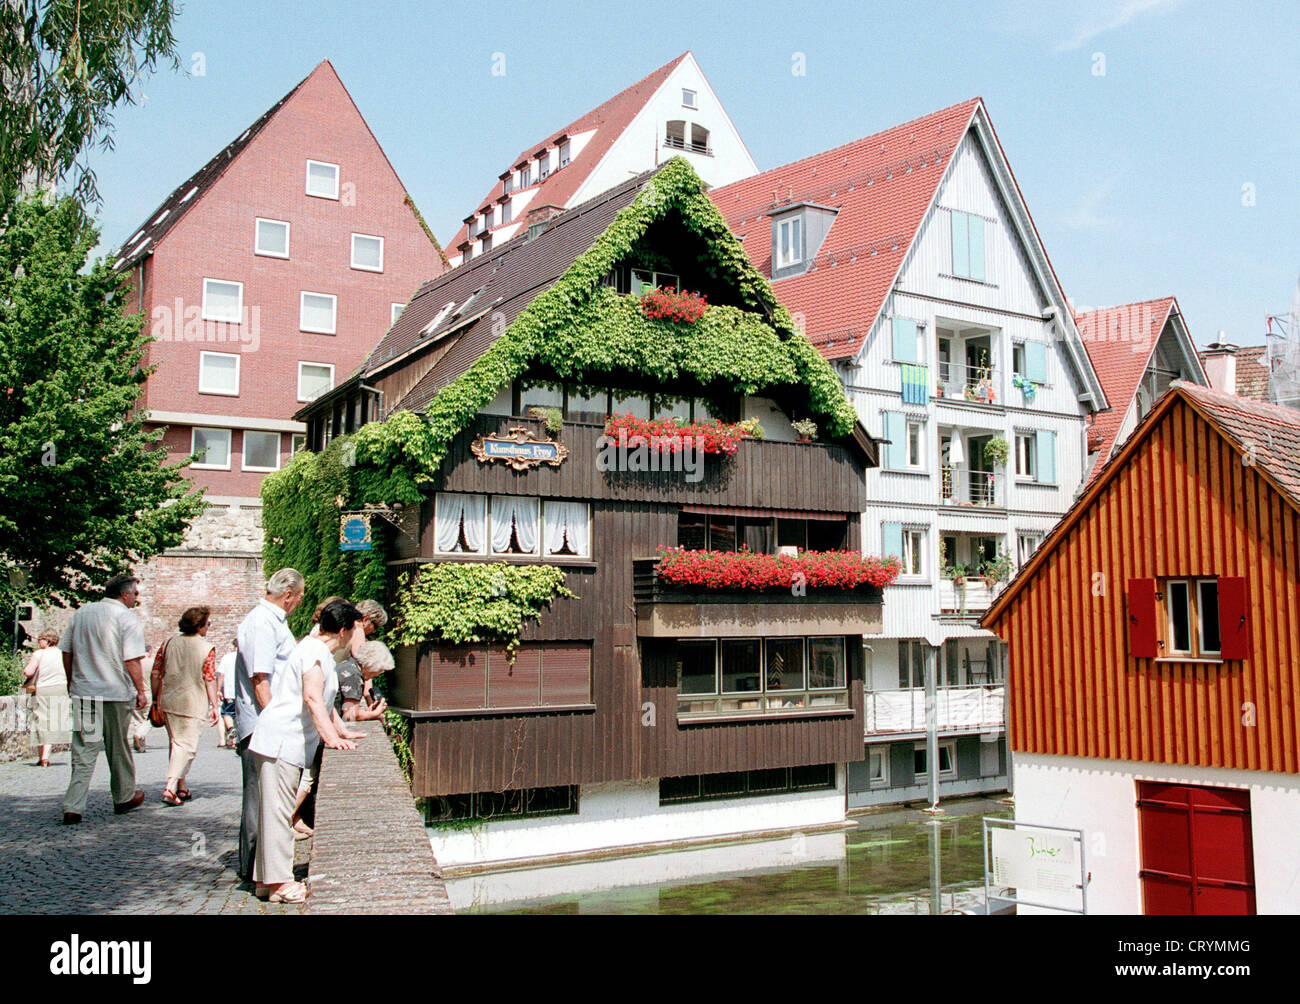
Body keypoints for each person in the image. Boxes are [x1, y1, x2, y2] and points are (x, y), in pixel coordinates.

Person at [249, 599, 363, 903]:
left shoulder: (314, 650)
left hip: (283, 742)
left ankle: (266, 882)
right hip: (281, 741)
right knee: (278, 814)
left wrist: (341, 731)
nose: (354, 638)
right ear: (342, 631)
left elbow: (324, 703)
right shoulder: (313, 654)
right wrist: (332, 739)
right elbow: (312, 699)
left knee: (277, 811)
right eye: (353, 631)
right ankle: (280, 885)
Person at [58, 573, 148, 824]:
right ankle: (123, 796)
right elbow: (132, 659)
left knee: (83, 750)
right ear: (125, 594)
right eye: (136, 594)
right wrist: (141, 691)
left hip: (85, 692)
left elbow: (66, 651)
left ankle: (73, 805)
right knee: (118, 747)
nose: (136, 599)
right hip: (115, 693)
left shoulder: (82, 613)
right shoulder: (126, 618)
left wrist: (71, 680)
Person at [234, 568, 304, 882]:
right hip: (261, 724)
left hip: (264, 722)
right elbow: (260, 678)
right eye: (300, 597)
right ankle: (253, 869)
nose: (300, 603)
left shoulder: (269, 621)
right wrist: (277, 720)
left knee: (262, 798)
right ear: (288, 595)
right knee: (258, 799)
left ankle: (257, 867)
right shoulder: (262, 623)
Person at [152, 606, 221, 806]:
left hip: (169, 700)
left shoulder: (167, 643)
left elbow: (156, 673)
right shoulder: (206, 647)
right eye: (207, 624)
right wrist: (215, 705)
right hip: (193, 701)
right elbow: (209, 678)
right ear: (199, 626)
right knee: (187, 746)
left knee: (177, 744)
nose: (208, 627)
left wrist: (156, 700)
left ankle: (181, 786)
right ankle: (170, 787)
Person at [23, 629, 69, 766]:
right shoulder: (63, 654)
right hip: (61, 689)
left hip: (43, 690)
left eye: (40, 639)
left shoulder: (39, 654)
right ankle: (45, 756)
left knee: (40, 721)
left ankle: (42, 757)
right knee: (53, 722)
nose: (39, 641)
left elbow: (28, 672)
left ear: (47, 640)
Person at [338, 640, 392, 722]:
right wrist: (375, 713)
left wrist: (368, 713)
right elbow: (349, 715)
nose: (377, 675)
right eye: (379, 670)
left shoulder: (347, 665)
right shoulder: (354, 676)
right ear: (372, 664)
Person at [216, 638, 238, 748]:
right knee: (239, 715)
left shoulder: (227, 658)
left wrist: (218, 690)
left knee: (226, 713)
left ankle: (230, 728)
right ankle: (235, 741)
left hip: (229, 691)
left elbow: (221, 675)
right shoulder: (244, 657)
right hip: (241, 693)